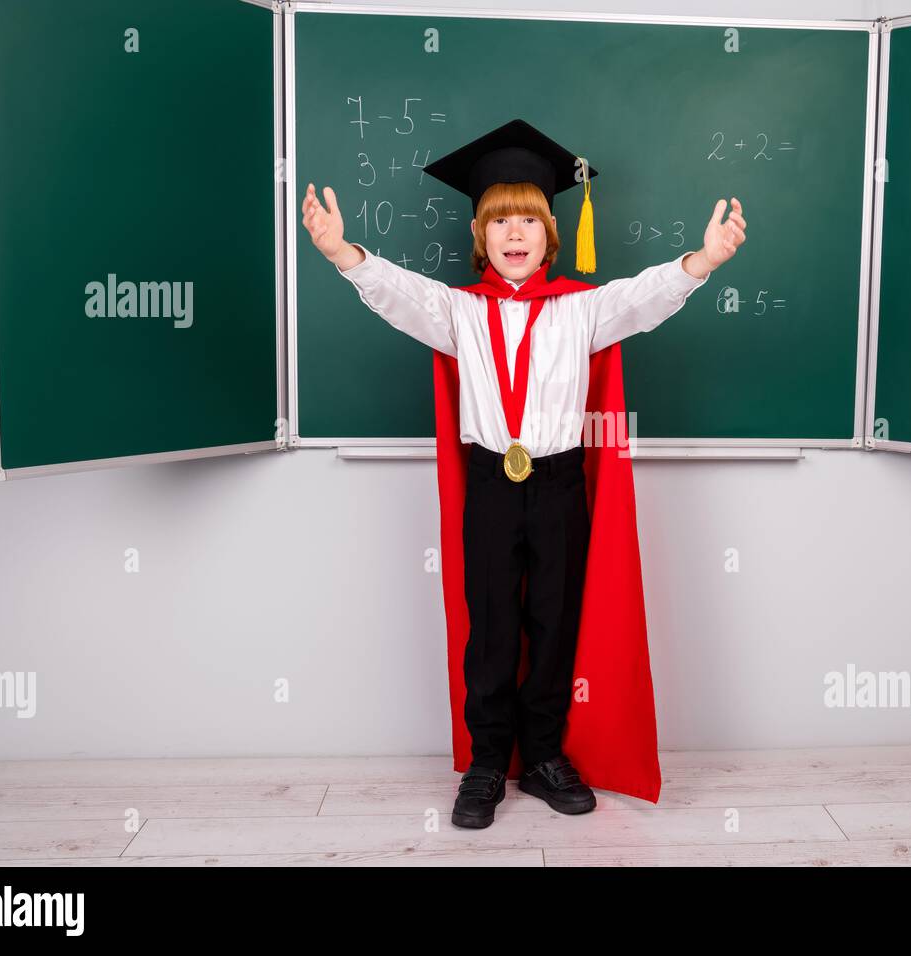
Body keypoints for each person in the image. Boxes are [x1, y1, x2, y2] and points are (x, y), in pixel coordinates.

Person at [301, 118, 746, 828]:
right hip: (489, 486)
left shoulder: (580, 310)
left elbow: (643, 298)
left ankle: (542, 756)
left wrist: (702, 261)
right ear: (481, 235)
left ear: (549, 234)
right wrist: (343, 254)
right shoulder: (457, 312)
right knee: (493, 626)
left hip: (559, 485)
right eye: (499, 220)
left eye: (528, 221)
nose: (514, 234)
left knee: (553, 620)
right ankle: (486, 763)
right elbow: (398, 293)